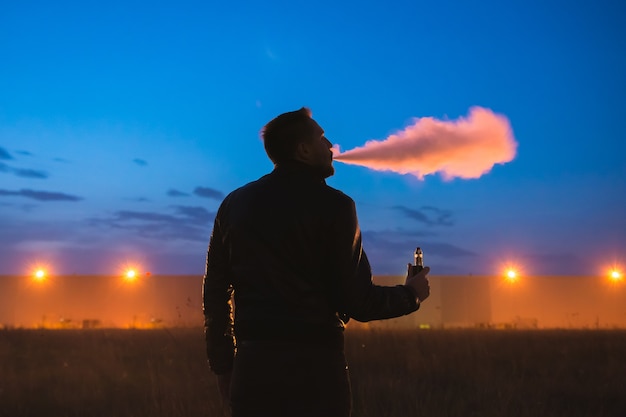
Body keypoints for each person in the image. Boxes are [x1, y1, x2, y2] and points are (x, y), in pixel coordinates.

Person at [203, 107, 431, 417]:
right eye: (323, 138)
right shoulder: (336, 206)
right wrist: (412, 294)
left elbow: (215, 292)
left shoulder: (233, 204)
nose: (332, 146)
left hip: (252, 372)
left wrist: (223, 366)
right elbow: (357, 302)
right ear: (304, 149)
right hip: (316, 375)